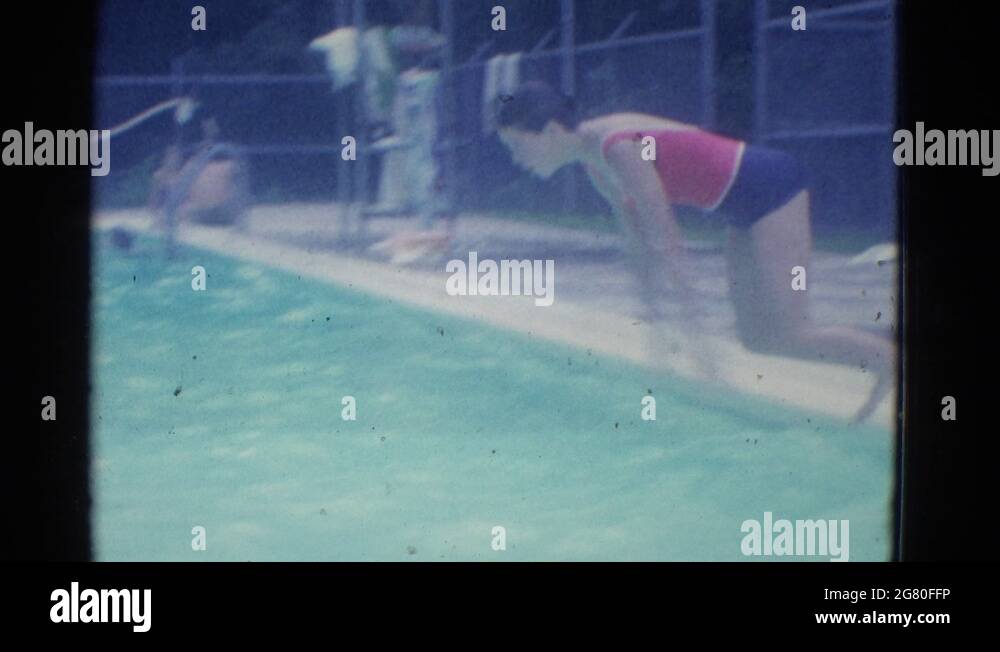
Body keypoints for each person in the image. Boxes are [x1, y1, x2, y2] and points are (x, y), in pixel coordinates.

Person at [495, 81, 893, 422]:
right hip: (741, 209)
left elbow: (667, 238)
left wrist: (694, 334)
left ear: (548, 130)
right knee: (759, 338)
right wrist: (654, 324)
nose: (514, 159)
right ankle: (885, 353)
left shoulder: (617, 148)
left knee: (792, 328)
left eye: (515, 145)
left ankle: (892, 362)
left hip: (774, 188)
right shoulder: (597, 165)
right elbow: (640, 247)